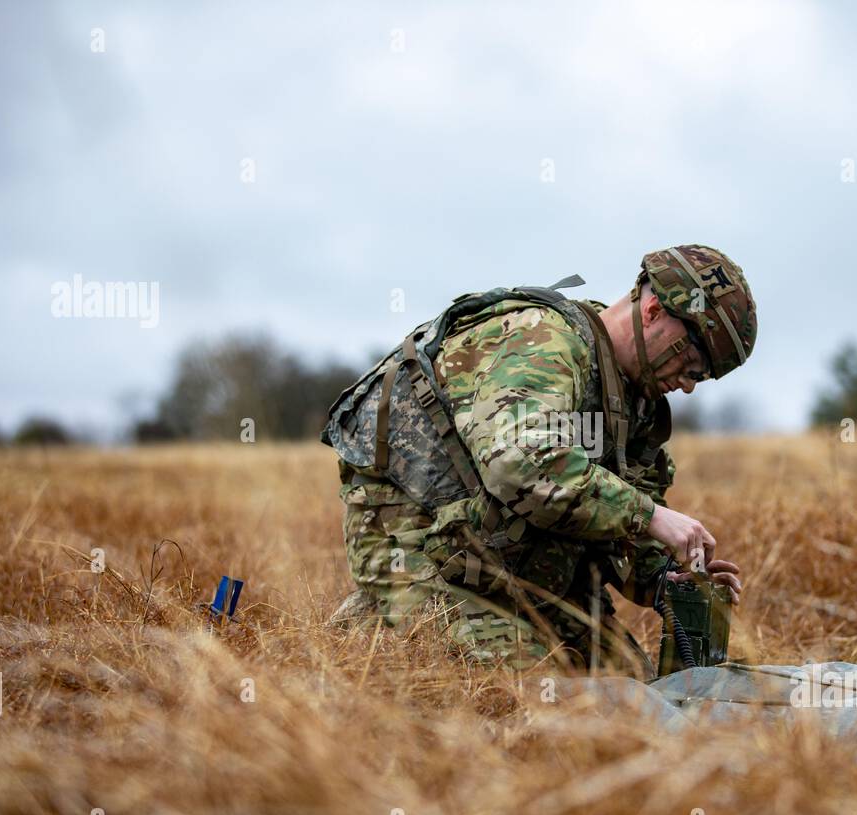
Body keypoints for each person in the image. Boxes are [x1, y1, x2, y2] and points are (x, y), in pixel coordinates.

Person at [323, 244, 756, 677]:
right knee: (523, 689)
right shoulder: (544, 341)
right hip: (412, 529)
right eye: (691, 363)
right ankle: (373, 624)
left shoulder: (635, 403)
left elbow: (613, 526)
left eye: (703, 376)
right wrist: (650, 515)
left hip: (498, 553)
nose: (689, 386)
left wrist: (664, 579)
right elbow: (517, 465)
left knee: (627, 684)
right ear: (654, 311)